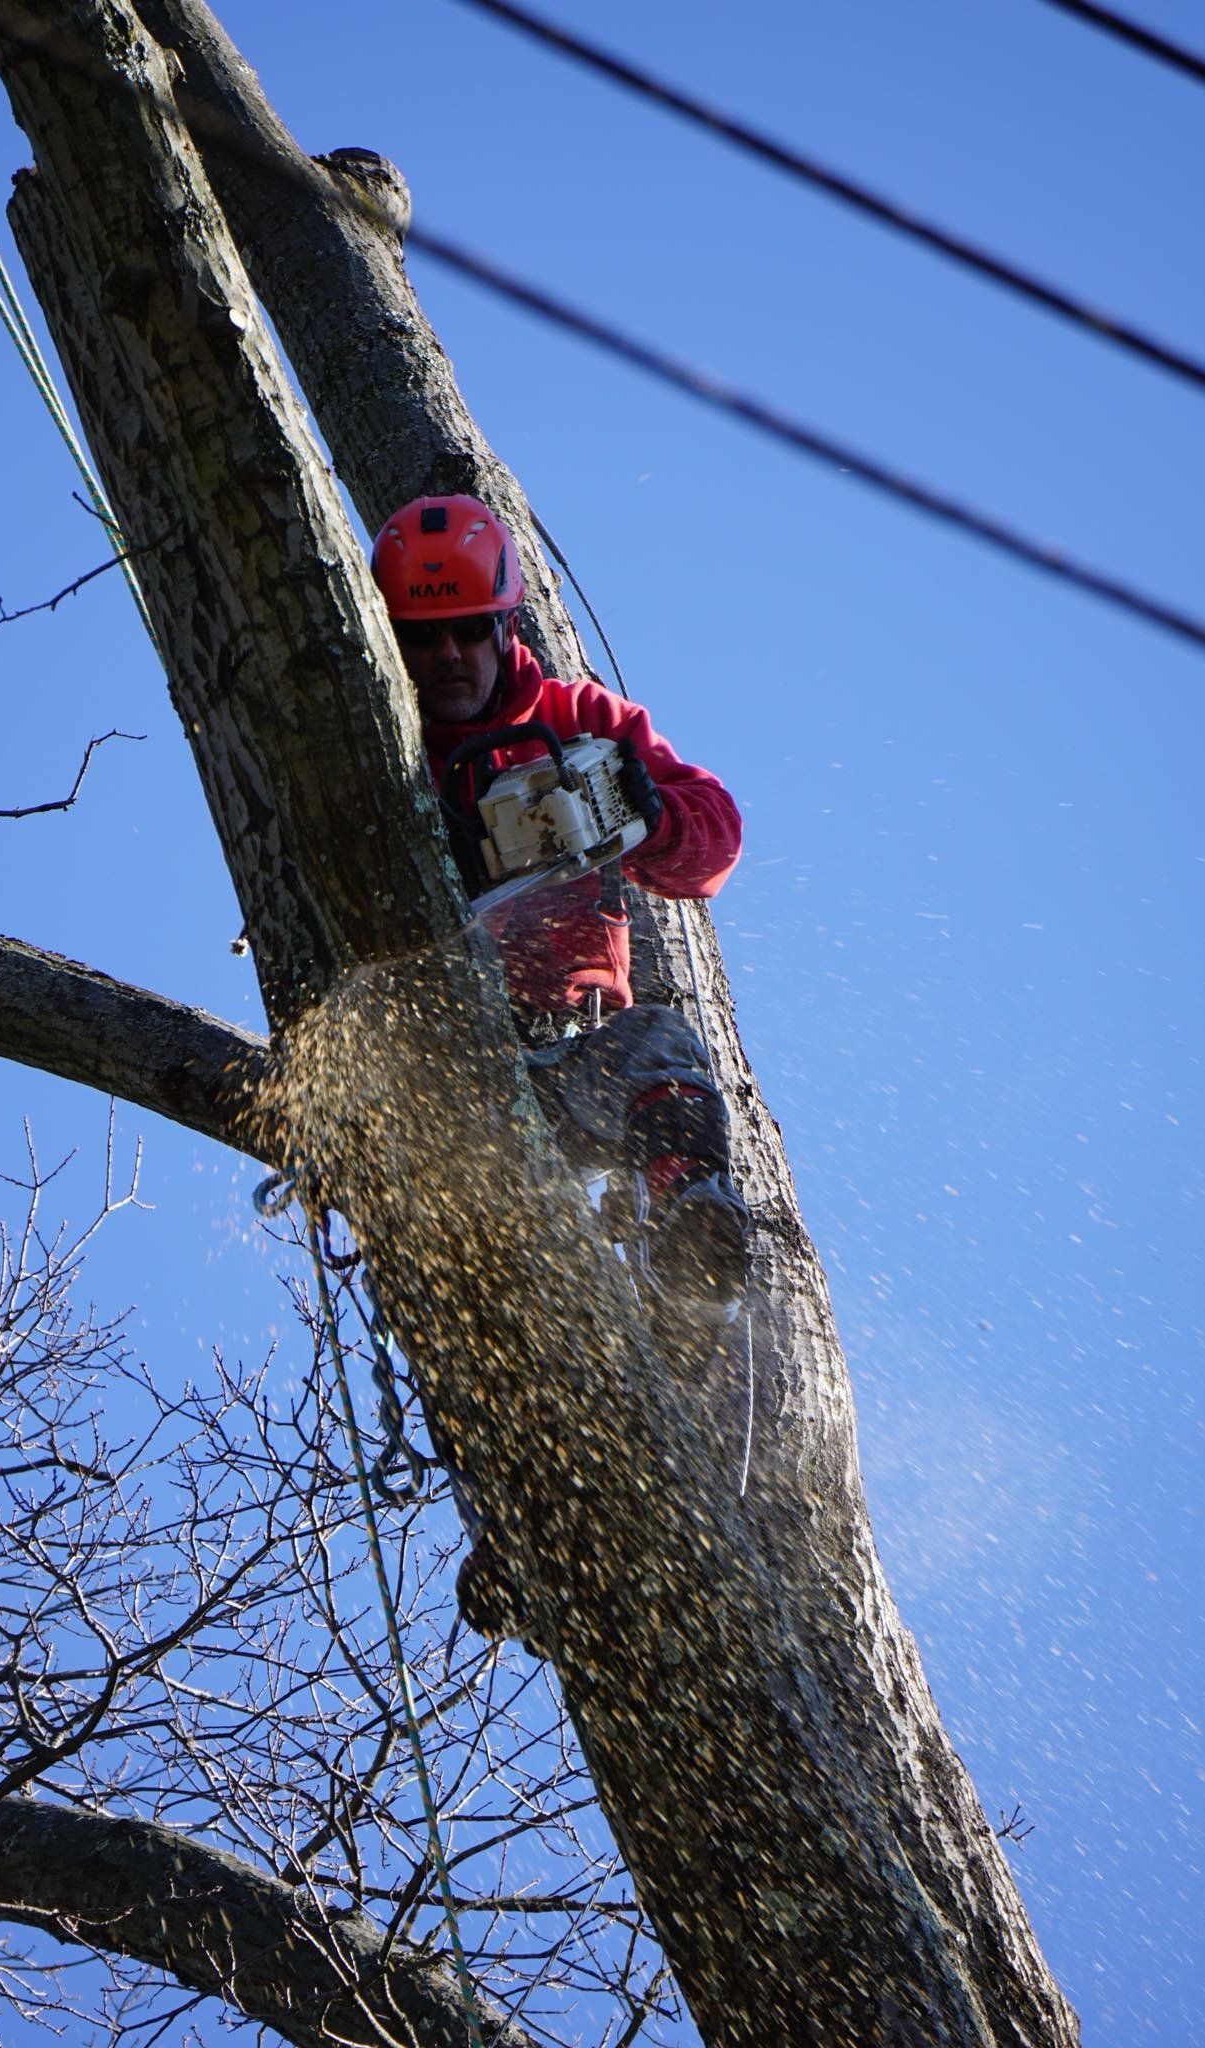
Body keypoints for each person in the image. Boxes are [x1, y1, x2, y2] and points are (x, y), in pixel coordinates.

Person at [373, 494, 747, 1638]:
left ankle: (688, 1233)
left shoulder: (575, 718)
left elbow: (713, 833)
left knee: (664, 1052)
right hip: (448, 1079)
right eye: (419, 637)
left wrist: (637, 811)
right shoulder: (369, 757)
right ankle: (520, 1526)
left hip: (577, 1043)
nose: (443, 658)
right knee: (457, 1293)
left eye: (463, 632)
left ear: (502, 627)